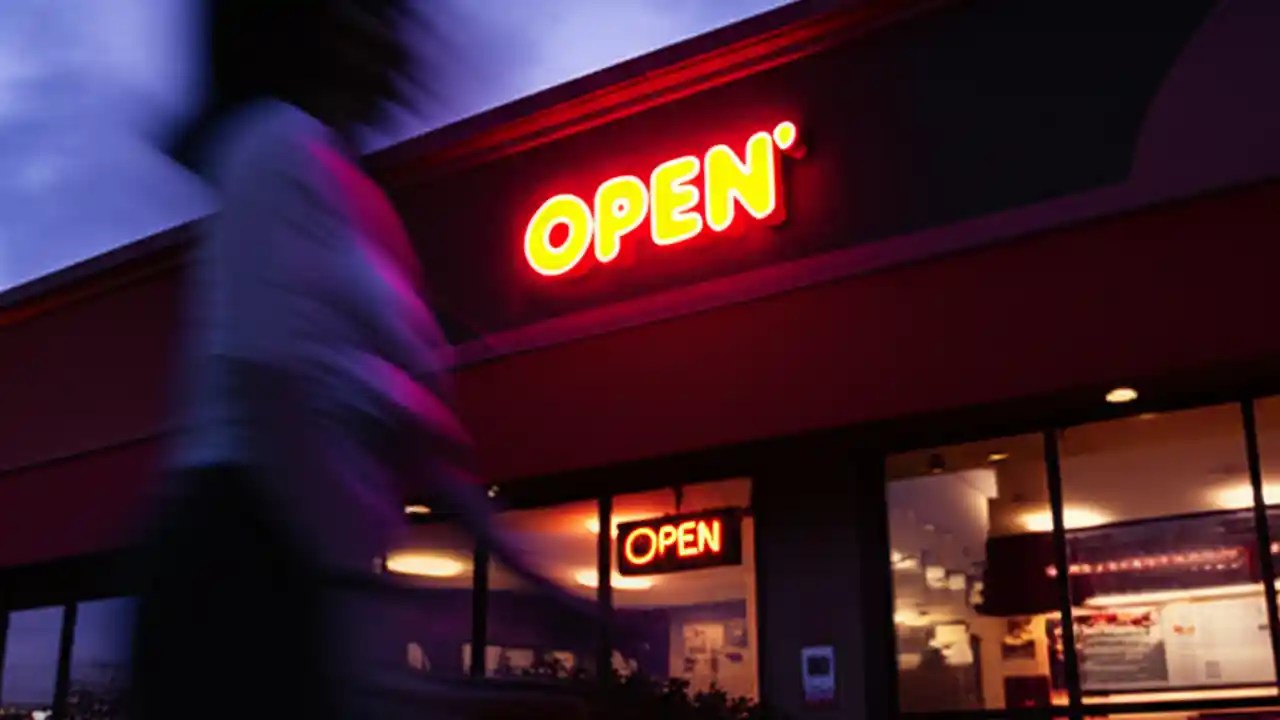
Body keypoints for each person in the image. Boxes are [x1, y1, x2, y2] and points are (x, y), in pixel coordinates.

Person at [130, 1, 593, 718]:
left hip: (300, 571)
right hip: (240, 563)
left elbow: (422, 451)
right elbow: (267, 382)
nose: (398, 43)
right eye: (371, 20)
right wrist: (342, 593)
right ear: (323, 37)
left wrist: (542, 586)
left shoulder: (362, 210)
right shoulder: (275, 145)